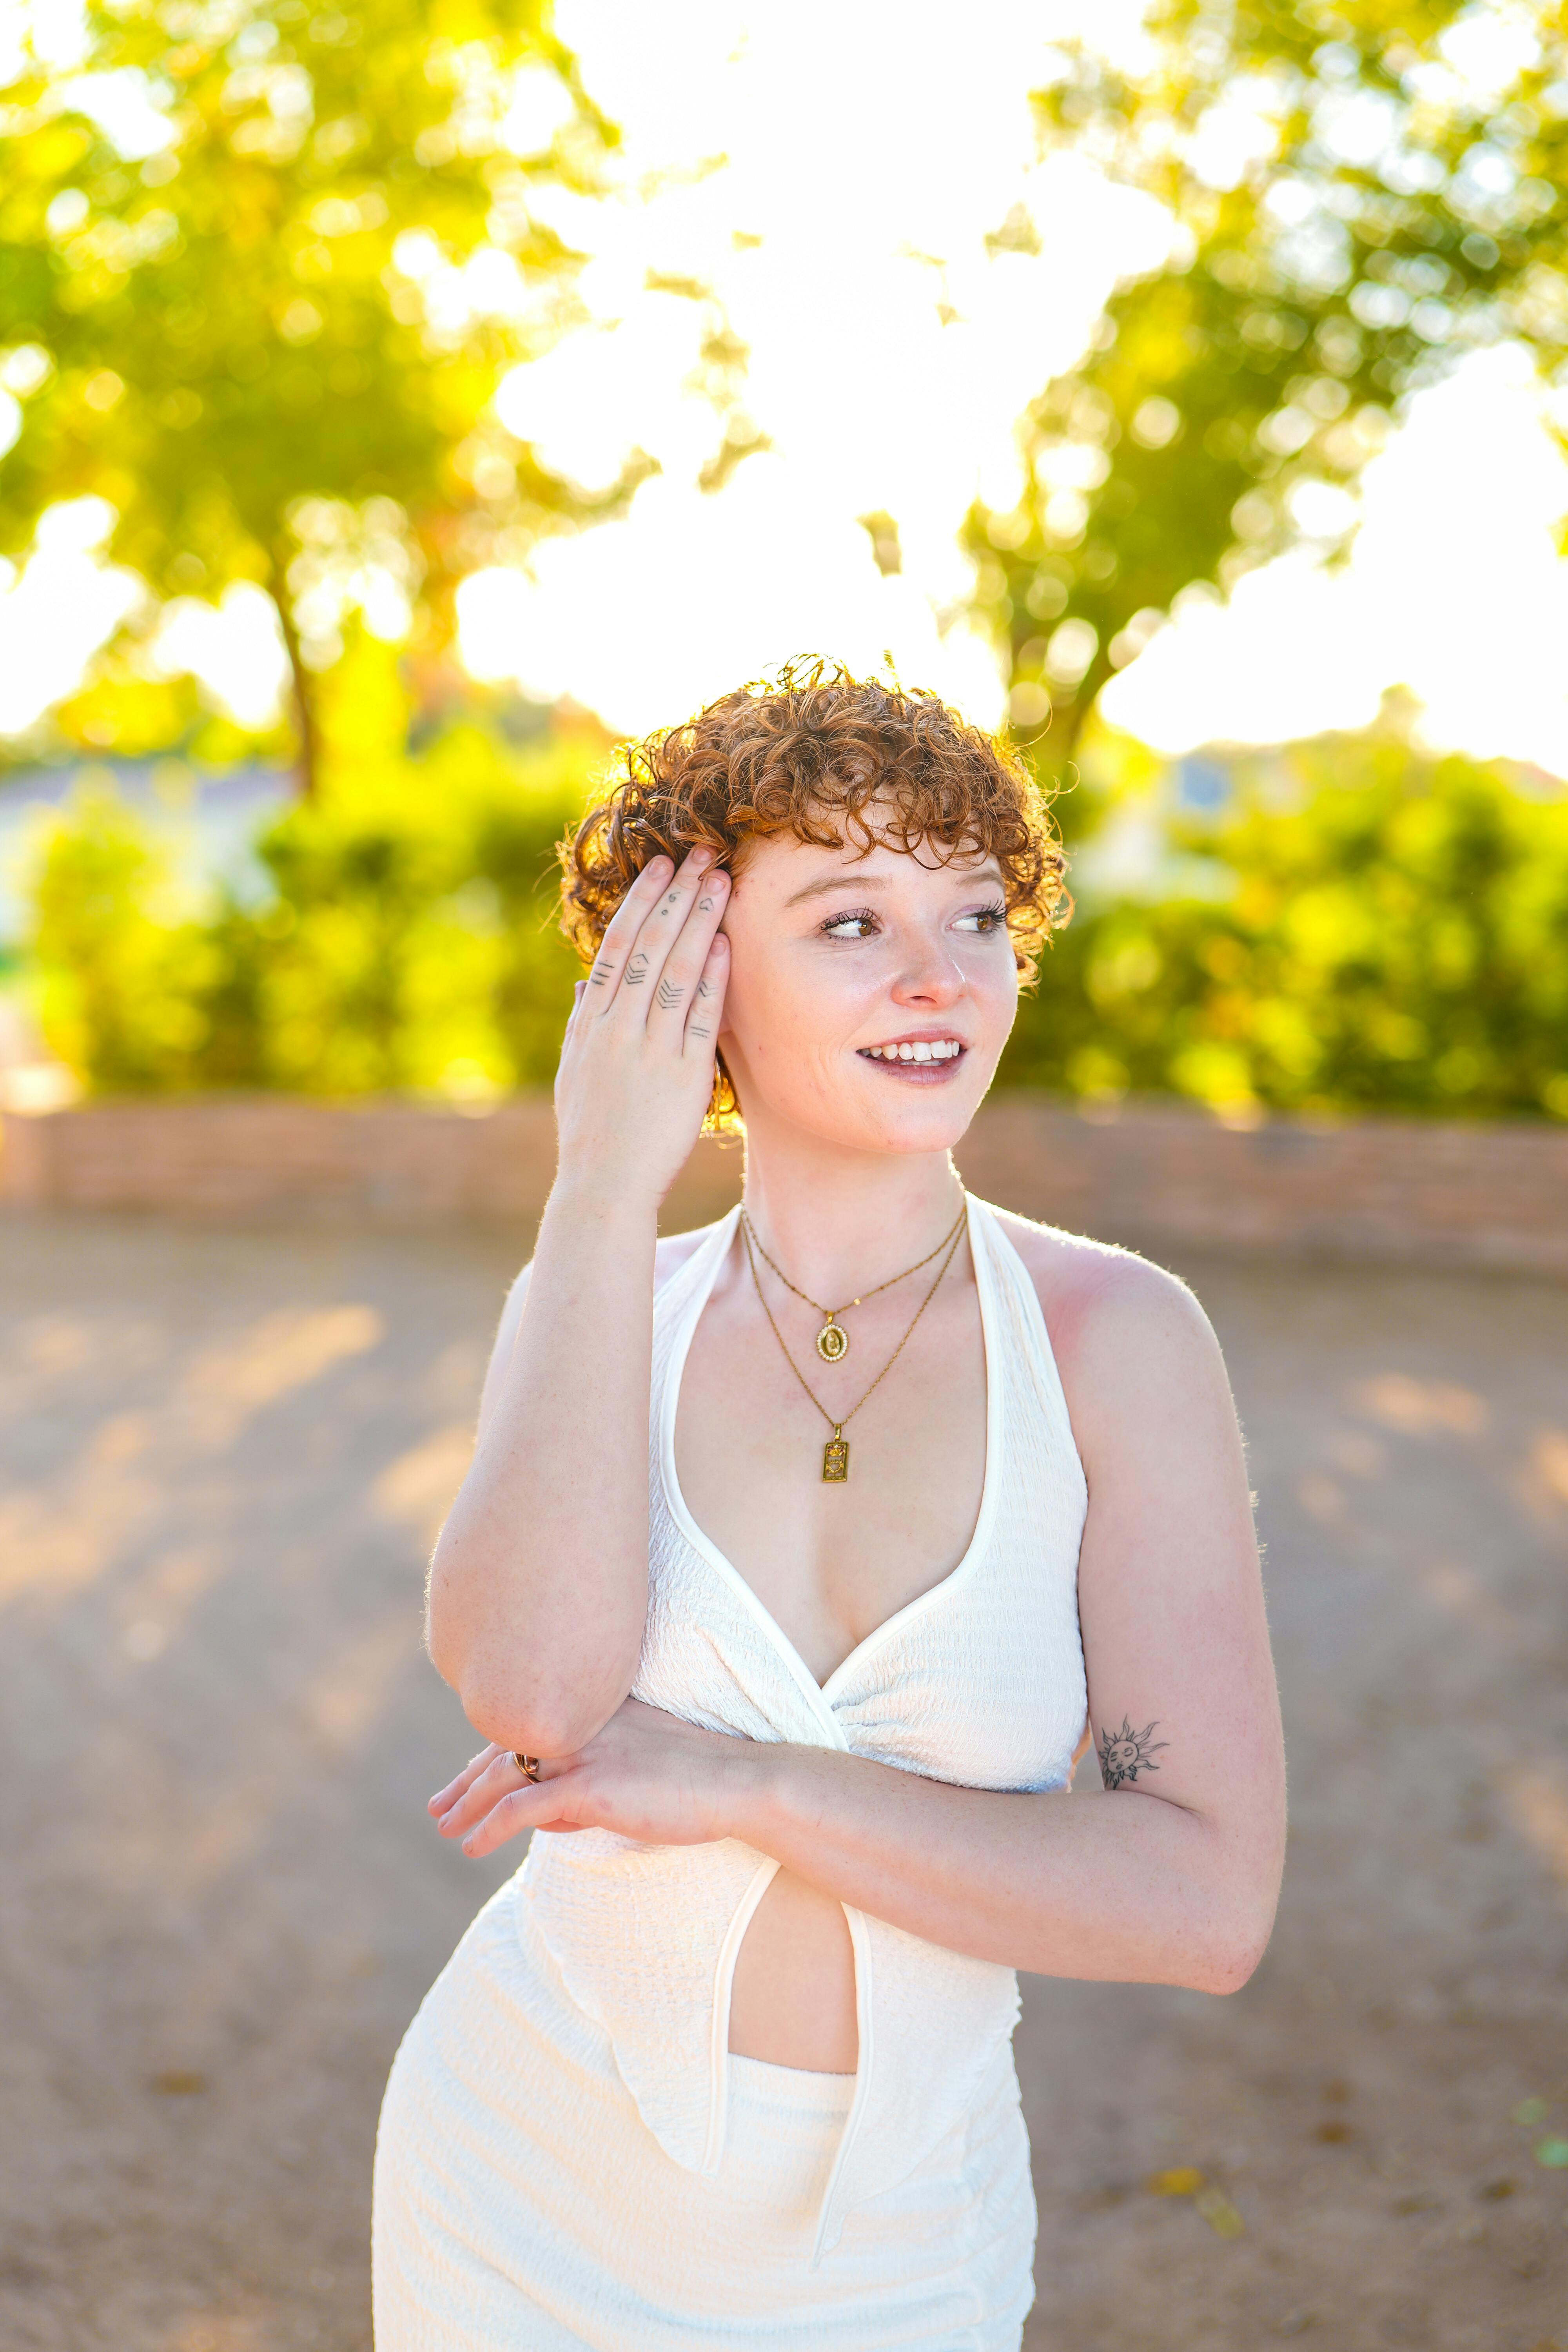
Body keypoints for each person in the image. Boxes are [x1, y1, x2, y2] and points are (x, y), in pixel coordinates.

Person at [372, 661, 1286, 2349]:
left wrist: (741, 1782)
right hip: (517, 2192)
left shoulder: (1115, 1343)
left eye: (972, 912)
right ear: (697, 980)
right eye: (850, 920)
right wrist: (593, 1186)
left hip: (895, 2257)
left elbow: (1204, 1905)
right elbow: (529, 1693)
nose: (941, 974)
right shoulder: (600, 1308)